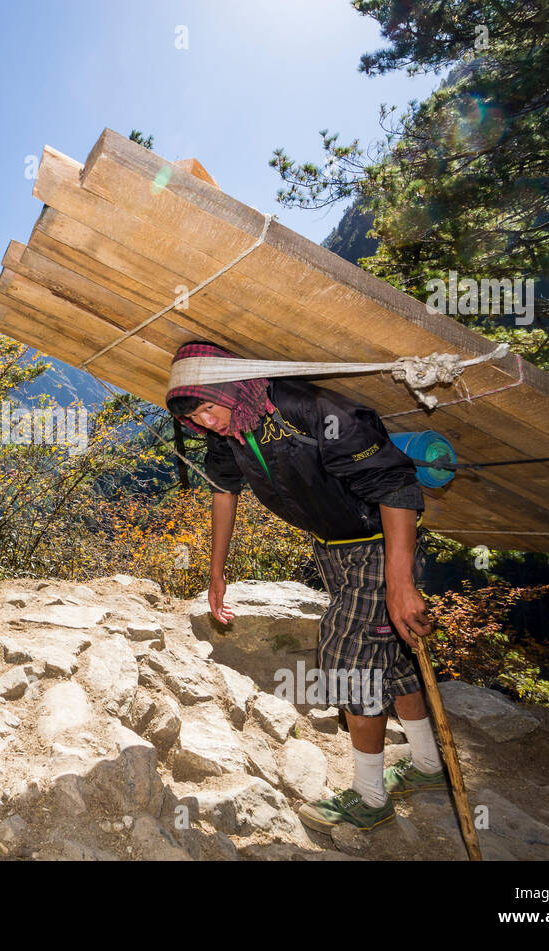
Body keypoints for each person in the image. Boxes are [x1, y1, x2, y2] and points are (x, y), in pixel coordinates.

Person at [165, 340, 447, 834]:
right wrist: (216, 571)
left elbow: (396, 483)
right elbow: (224, 489)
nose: (207, 422)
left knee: (347, 661)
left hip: (379, 544)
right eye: (196, 418)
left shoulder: (310, 410)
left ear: (232, 389)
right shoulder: (232, 428)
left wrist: (399, 583)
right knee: (392, 656)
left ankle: (370, 796)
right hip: (333, 548)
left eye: (209, 408)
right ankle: (427, 766)